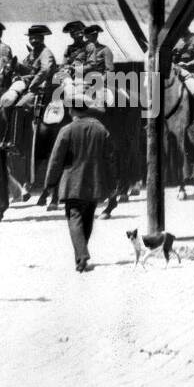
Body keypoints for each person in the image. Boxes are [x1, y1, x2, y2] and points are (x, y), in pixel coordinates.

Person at [44, 89, 116, 273]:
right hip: (95, 183)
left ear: (71, 111)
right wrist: (112, 183)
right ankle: (81, 257)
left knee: (74, 218)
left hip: (72, 184)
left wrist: (50, 183)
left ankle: (82, 255)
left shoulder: (66, 130)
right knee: (88, 219)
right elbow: (110, 158)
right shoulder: (101, 128)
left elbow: (56, 159)